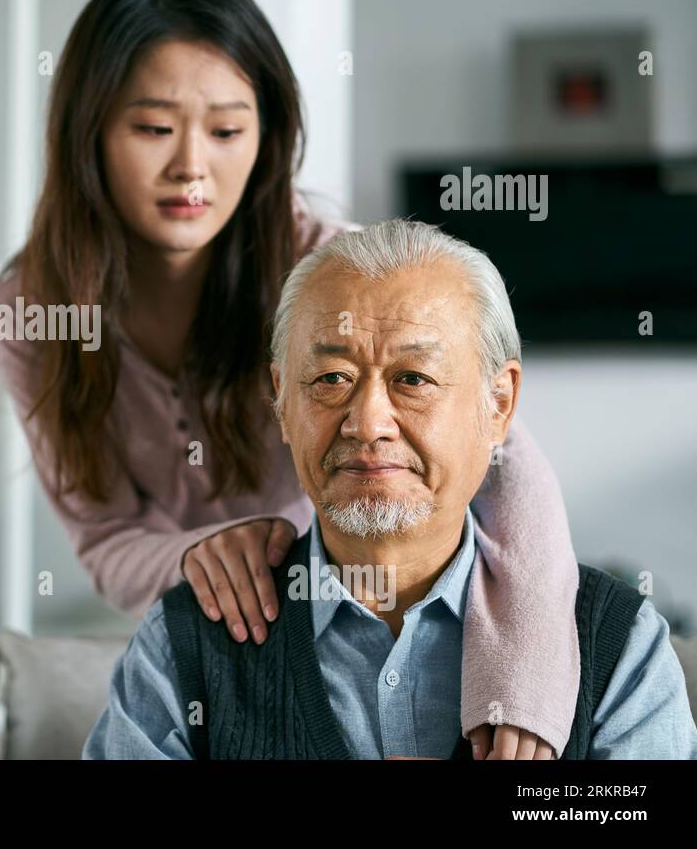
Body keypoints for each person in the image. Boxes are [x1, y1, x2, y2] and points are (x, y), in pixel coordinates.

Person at [0, 0, 576, 757]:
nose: (192, 166)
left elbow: (507, 464)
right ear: (87, 132)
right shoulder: (34, 314)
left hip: (378, 600)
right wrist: (200, 555)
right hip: (219, 628)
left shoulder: (330, 274)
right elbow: (106, 538)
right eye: (154, 128)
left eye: (227, 130)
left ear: (267, 138)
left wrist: (521, 676)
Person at [82, 219, 697, 759]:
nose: (368, 422)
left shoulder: (617, 644)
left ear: (499, 404)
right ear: (281, 402)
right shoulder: (185, 643)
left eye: (413, 378)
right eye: (329, 378)